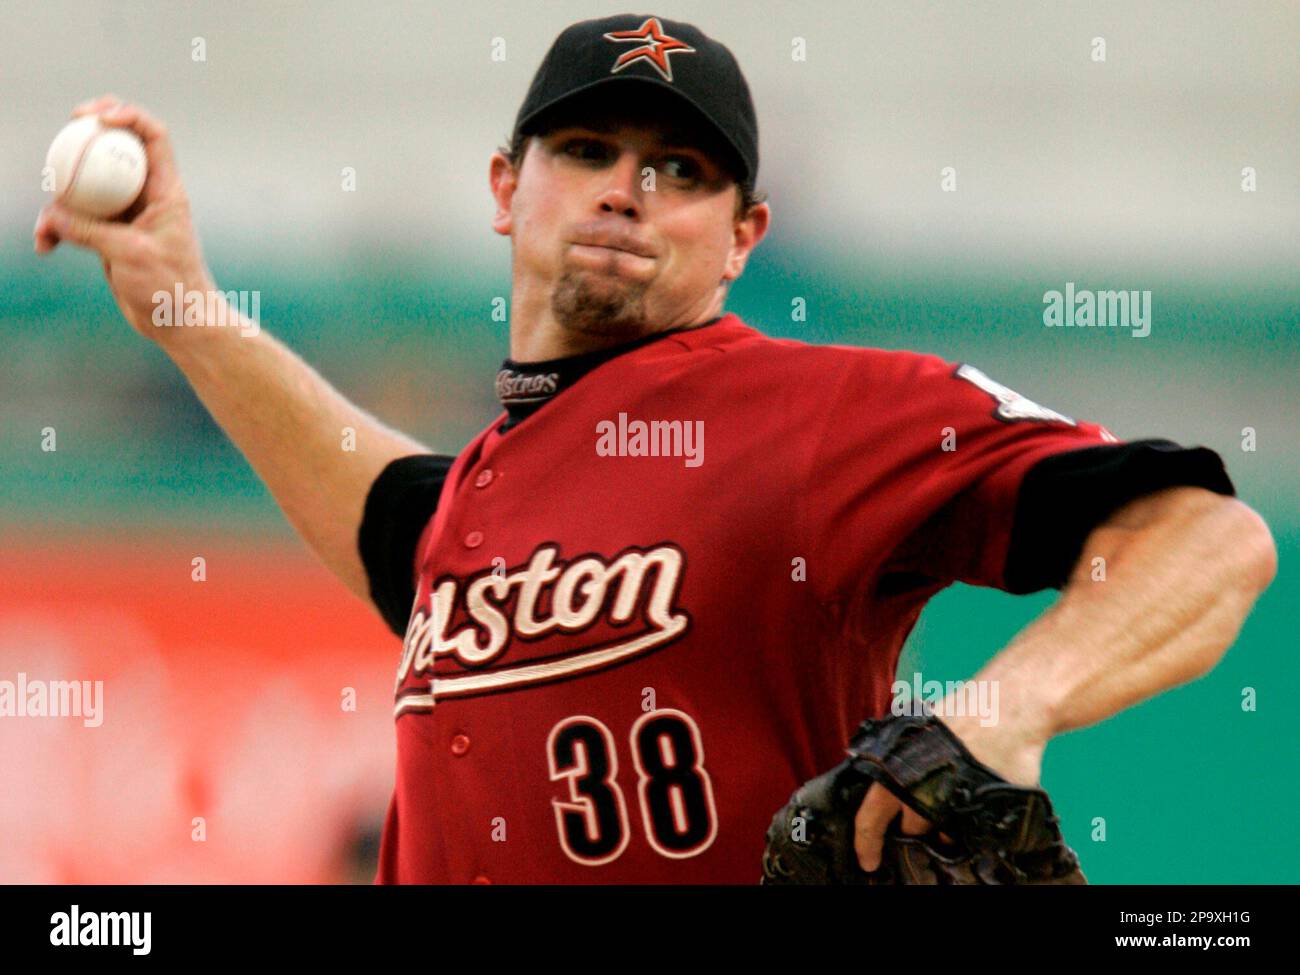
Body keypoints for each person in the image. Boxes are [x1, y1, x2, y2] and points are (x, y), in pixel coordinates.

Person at [34, 14, 1276, 884]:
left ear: (744, 238)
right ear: (504, 190)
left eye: (678, 169)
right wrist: (185, 308)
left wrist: (999, 716)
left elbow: (1206, 537)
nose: (625, 188)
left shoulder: (823, 415)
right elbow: (388, 519)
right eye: (586, 153)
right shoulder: (479, 499)